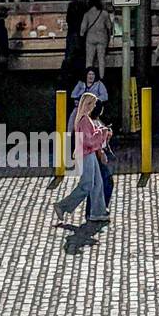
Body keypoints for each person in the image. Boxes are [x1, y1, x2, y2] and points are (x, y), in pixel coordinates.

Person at [56, 93, 110, 225]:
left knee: (97, 183)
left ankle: (97, 212)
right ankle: (63, 206)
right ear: (87, 104)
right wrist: (101, 133)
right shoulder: (84, 120)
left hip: (88, 153)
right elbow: (89, 141)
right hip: (86, 154)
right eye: (92, 104)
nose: (94, 107)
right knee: (87, 184)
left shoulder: (84, 119)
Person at [80, 0, 112, 78]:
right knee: (101, 60)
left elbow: (82, 29)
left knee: (89, 61)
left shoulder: (87, 14)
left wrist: (82, 35)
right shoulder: (104, 13)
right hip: (102, 38)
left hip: (90, 38)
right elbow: (109, 27)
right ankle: (101, 78)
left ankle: (89, 78)